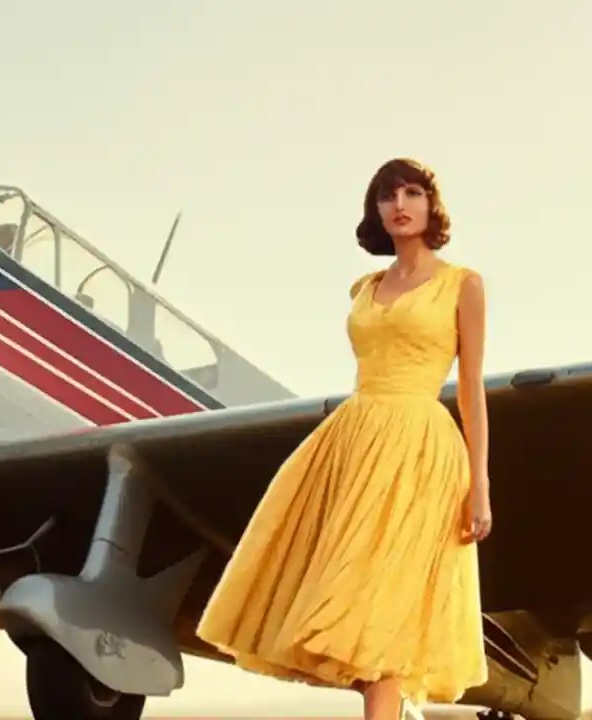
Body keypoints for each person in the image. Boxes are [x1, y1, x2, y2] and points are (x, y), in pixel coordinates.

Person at [194, 157, 492, 720]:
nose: (399, 205)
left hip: (419, 449)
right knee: (345, 612)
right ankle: (396, 709)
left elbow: (472, 390)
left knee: (382, 610)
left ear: (432, 205)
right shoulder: (364, 287)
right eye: (386, 196)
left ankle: (390, 708)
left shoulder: (463, 285)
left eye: (411, 193)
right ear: (375, 210)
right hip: (353, 442)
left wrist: (480, 483)